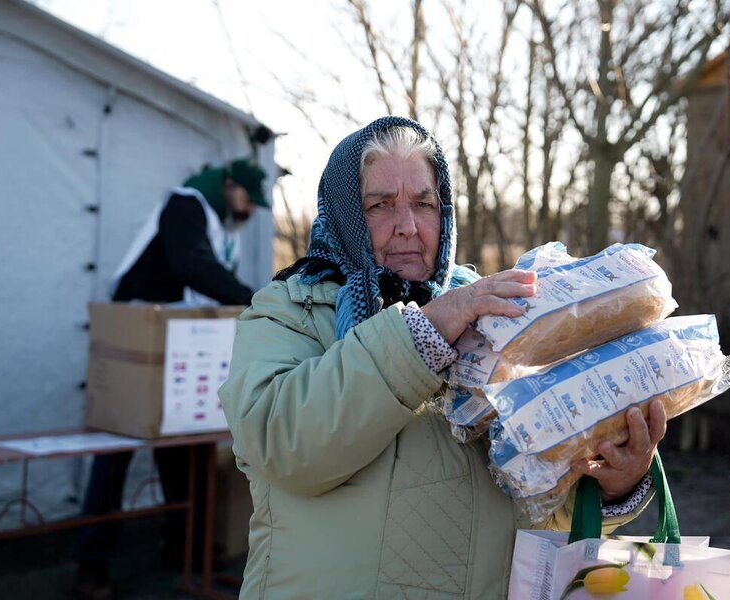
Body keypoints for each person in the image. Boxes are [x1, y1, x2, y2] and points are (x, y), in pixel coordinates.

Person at [218, 117, 667, 599]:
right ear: (346, 214)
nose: (407, 226)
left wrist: (612, 484)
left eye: (423, 204)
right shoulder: (291, 310)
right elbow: (283, 447)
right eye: (380, 205)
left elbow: (537, 502)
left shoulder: (496, 316)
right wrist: (426, 332)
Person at [75, 159, 270, 599]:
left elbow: (208, 275)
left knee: (184, 452)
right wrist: (253, 299)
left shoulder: (219, 226)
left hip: (175, 343)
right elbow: (192, 264)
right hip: (138, 330)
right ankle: (91, 565)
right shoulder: (186, 203)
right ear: (229, 185)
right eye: (247, 199)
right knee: (115, 450)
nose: (249, 211)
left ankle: (186, 553)